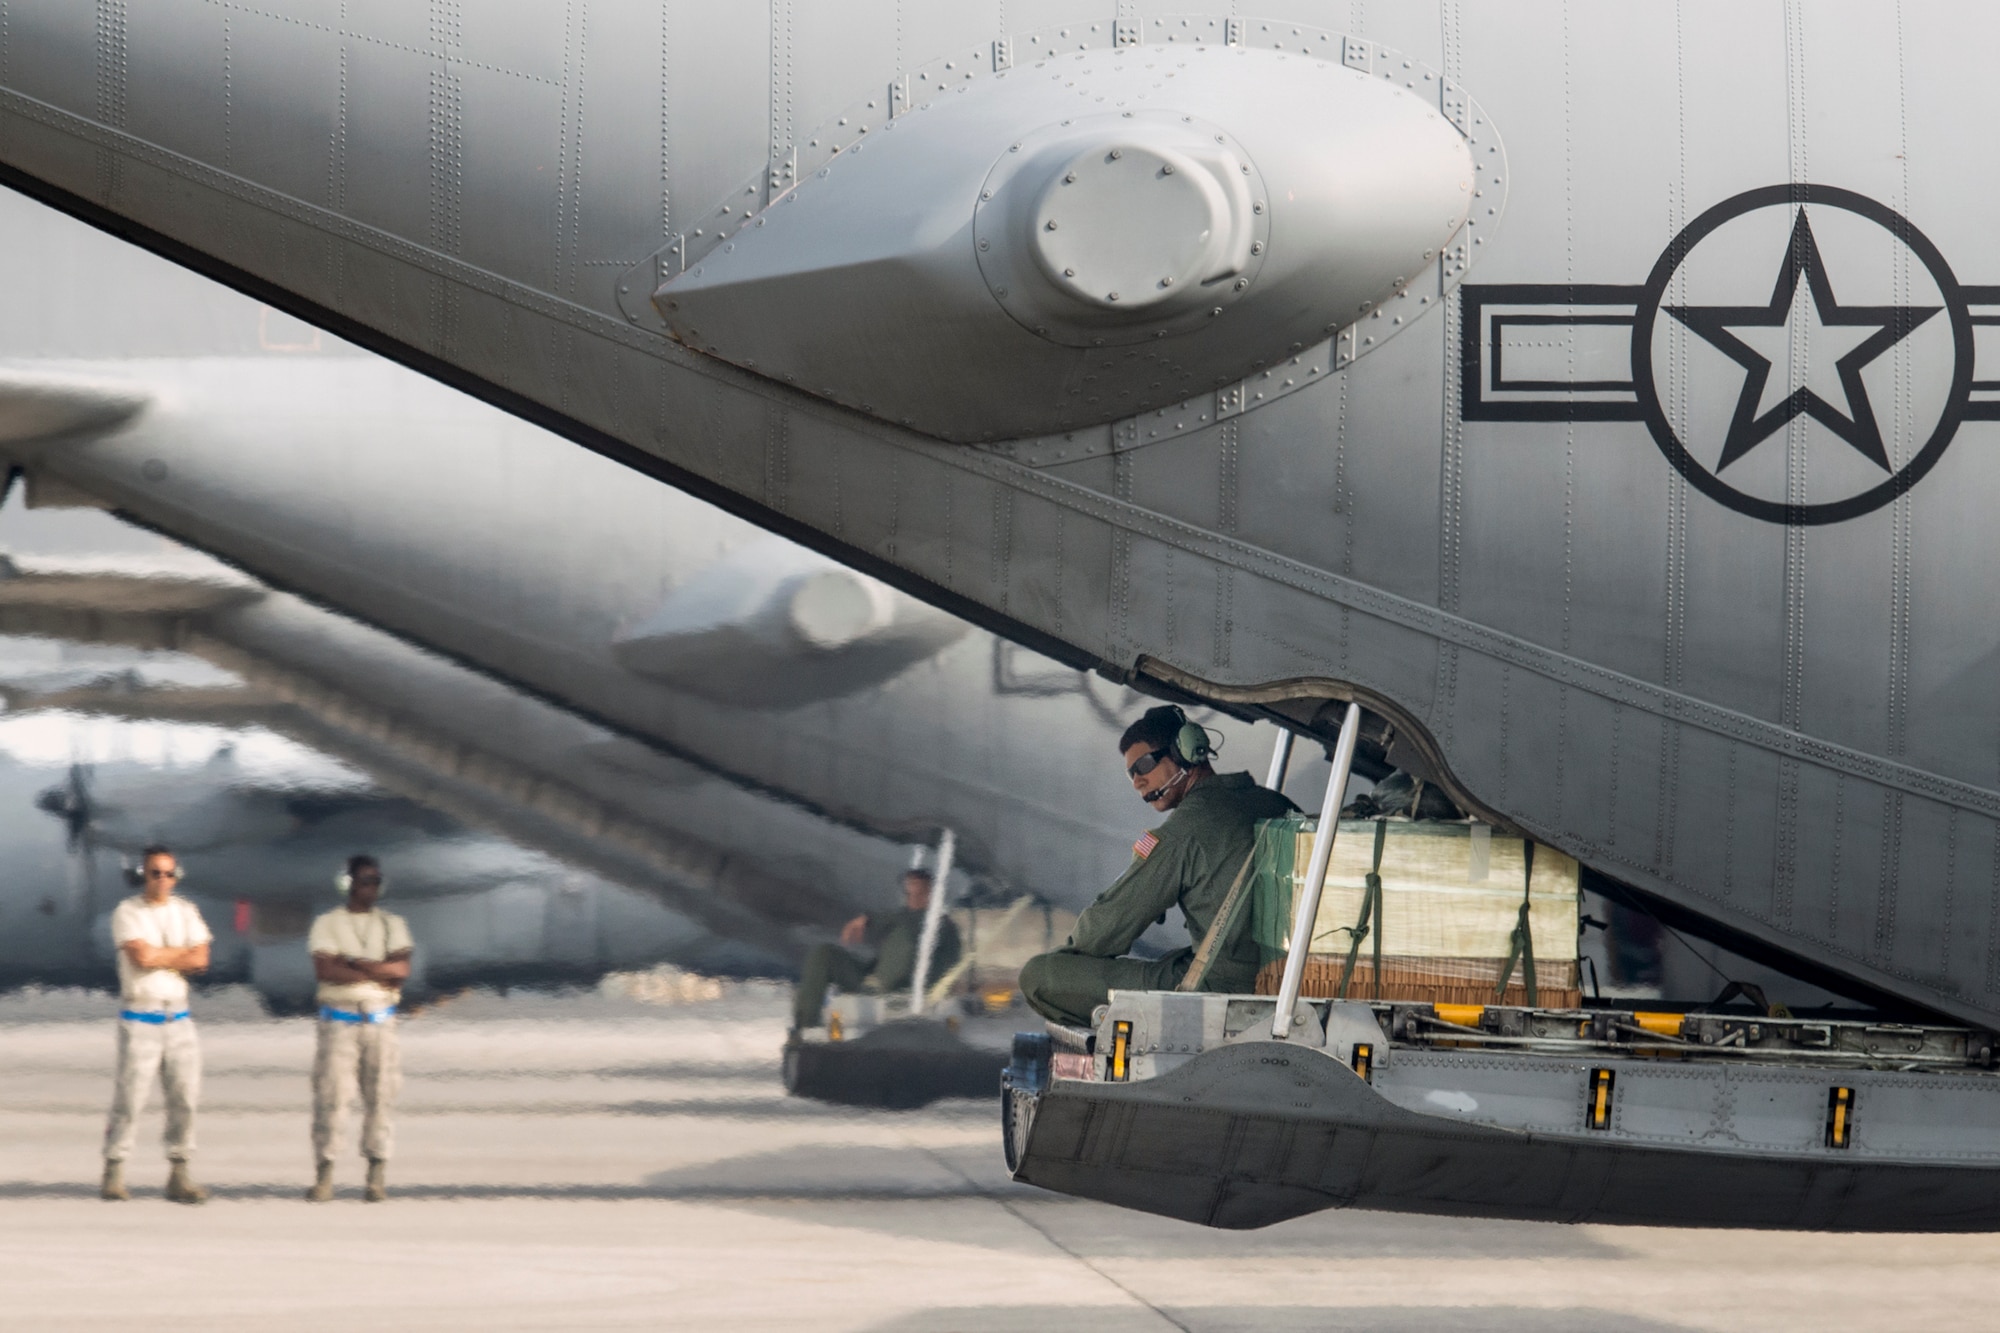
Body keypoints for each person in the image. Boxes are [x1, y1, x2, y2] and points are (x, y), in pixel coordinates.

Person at [1019, 705, 1299, 1026]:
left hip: (1219, 988)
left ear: (1186, 752)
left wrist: (1070, 958)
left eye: (1144, 765)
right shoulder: (1276, 804)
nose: (1138, 781)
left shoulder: (1184, 830)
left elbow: (1108, 926)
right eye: (1131, 774)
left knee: (1039, 976)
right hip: (1285, 974)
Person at [101, 844, 212, 1204]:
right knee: (130, 1098)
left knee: (185, 1097)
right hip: (140, 1016)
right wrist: (179, 956)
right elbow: (142, 957)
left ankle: (179, 1172)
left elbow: (202, 959)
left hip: (178, 1016)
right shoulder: (128, 912)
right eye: (155, 873)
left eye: (169, 873)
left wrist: (163, 957)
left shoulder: (186, 911)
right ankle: (114, 1169)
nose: (163, 880)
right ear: (142, 875)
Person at [305, 855, 413, 1203]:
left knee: (381, 1097)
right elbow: (326, 969)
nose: (371, 887)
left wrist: (356, 964)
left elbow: (401, 969)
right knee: (332, 1098)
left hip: (380, 1021)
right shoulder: (328, 923)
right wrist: (375, 971)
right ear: (348, 883)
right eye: (364, 880)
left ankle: (376, 1174)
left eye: (375, 881)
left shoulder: (391, 924)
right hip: (340, 1021)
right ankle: (325, 1173)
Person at [791, 868, 961, 1030]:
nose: (913, 899)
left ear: (931, 894)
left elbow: (951, 963)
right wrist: (866, 921)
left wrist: (867, 920)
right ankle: (806, 1026)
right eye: (909, 894)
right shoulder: (903, 917)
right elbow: (896, 918)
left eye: (920, 893)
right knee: (825, 954)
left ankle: (881, 985)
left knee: (905, 936)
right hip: (872, 982)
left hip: (911, 988)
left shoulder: (944, 926)